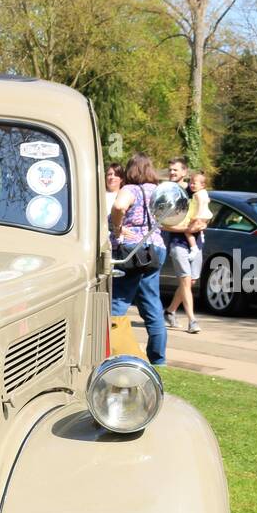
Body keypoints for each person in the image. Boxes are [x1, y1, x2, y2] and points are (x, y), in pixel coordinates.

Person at [109, 153, 167, 366]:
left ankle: (115, 351)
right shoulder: (158, 191)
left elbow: (118, 207)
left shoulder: (130, 189)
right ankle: (158, 359)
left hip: (132, 251)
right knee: (152, 304)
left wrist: (118, 228)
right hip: (156, 249)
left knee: (118, 302)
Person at [165, 170, 212, 334]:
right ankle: (192, 320)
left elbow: (204, 216)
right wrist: (187, 228)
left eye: (176, 170)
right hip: (178, 243)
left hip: (196, 242)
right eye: (191, 182)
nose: (192, 185)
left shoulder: (199, 196)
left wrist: (202, 224)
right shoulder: (177, 197)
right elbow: (164, 224)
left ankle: (170, 311)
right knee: (185, 281)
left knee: (191, 282)